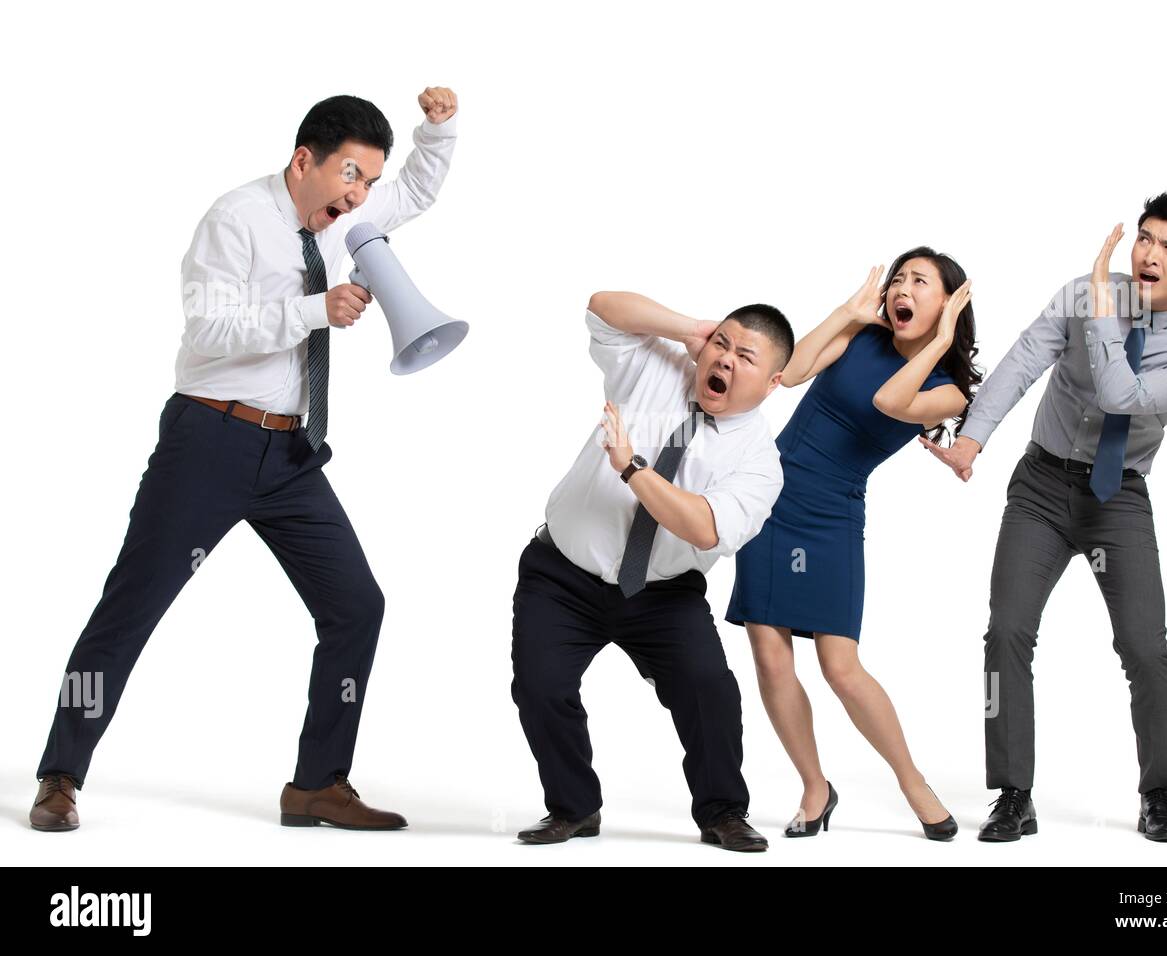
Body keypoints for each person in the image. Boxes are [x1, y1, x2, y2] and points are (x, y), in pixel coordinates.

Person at [29, 88, 460, 832]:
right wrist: (314, 311)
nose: (361, 195)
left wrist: (439, 130)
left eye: (369, 182)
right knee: (130, 610)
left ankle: (318, 784)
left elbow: (417, 190)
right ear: (305, 161)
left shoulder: (345, 215)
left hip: (290, 452)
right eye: (351, 175)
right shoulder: (235, 219)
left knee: (357, 606)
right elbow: (209, 328)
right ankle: (60, 774)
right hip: (210, 441)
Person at [922, 189, 1167, 843]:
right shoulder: (1078, 293)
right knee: (1005, 632)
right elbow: (1023, 362)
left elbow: (1123, 395)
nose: (1148, 254)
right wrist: (971, 440)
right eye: (1143, 237)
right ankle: (1012, 794)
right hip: (1040, 486)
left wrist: (1099, 309)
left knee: (1145, 648)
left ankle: (1158, 795)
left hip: (1116, 500)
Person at [511, 291, 793, 851]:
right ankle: (574, 807)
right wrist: (692, 329)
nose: (726, 361)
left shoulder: (760, 461)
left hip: (663, 595)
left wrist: (632, 468)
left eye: (746, 357)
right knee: (540, 686)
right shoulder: (659, 366)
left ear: (773, 382)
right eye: (722, 346)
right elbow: (602, 306)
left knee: (709, 689)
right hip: (562, 574)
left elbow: (704, 528)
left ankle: (722, 812)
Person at [725, 249, 977, 840]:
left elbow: (892, 403)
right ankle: (815, 786)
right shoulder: (864, 333)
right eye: (898, 279)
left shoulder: (950, 392)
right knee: (769, 653)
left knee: (840, 665)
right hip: (769, 496)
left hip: (832, 516)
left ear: (948, 303)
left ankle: (911, 780)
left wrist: (939, 343)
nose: (900, 289)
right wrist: (848, 311)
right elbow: (792, 370)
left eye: (919, 281)